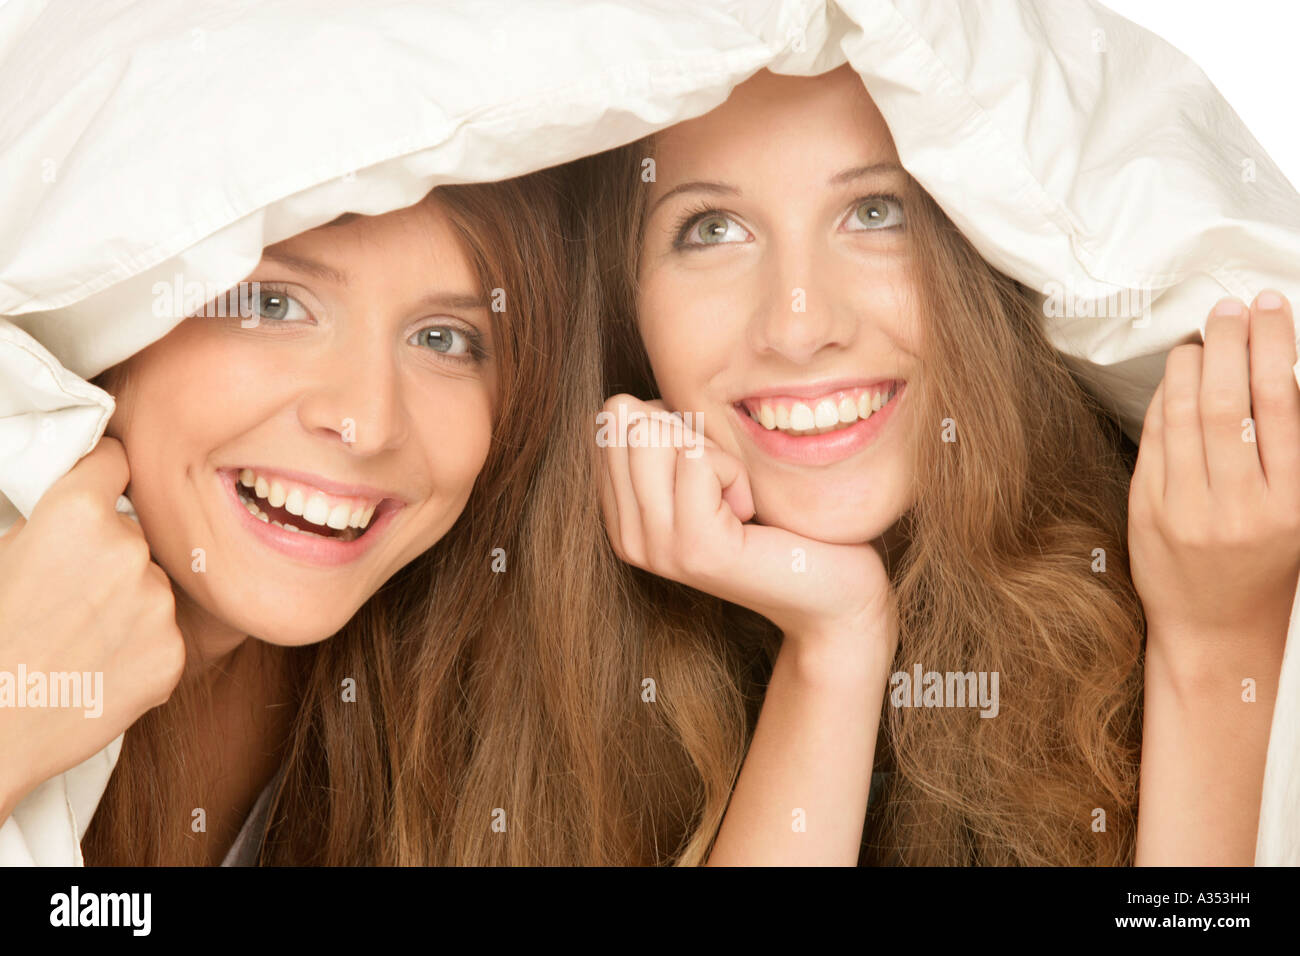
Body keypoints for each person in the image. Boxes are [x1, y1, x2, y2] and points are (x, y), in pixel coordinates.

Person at [575, 65, 1297, 864]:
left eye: (877, 213)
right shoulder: (564, 674)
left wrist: (1214, 647)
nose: (799, 324)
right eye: (712, 229)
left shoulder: (1204, 555)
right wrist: (835, 641)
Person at [0, 171, 742, 865]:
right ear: (111, 328)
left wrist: (838, 640)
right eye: (272, 304)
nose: (367, 421)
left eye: (443, 338)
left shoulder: (454, 678)